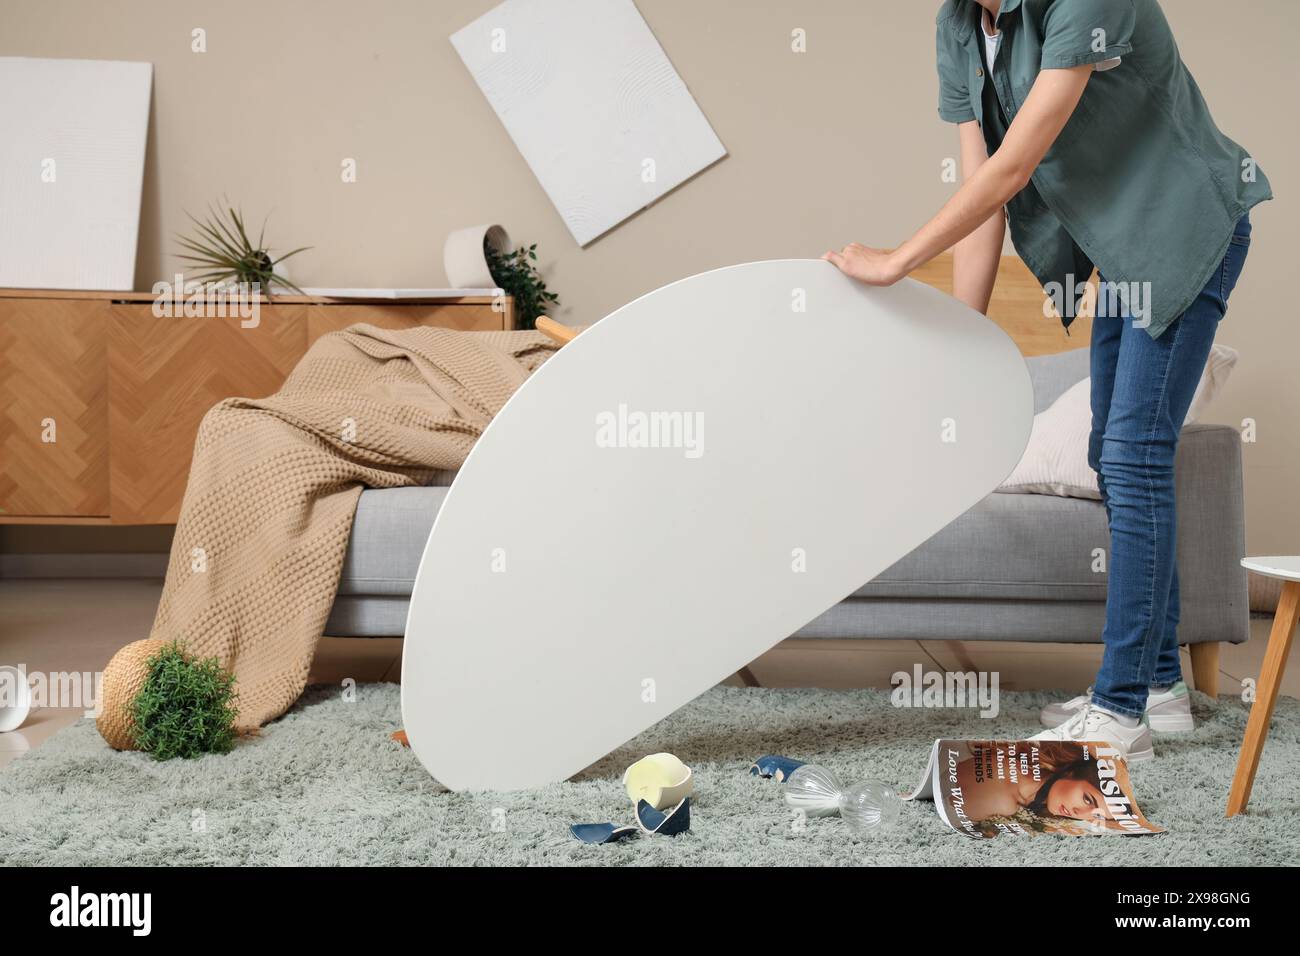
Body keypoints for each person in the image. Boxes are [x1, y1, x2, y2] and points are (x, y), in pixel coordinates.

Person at [824, 0, 1271, 760]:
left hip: (1189, 220)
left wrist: (897, 259)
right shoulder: (960, 26)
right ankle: (1162, 685)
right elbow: (983, 197)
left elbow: (1014, 168)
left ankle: (1120, 709)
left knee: (1133, 456)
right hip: (1121, 248)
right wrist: (962, 349)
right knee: (1111, 455)